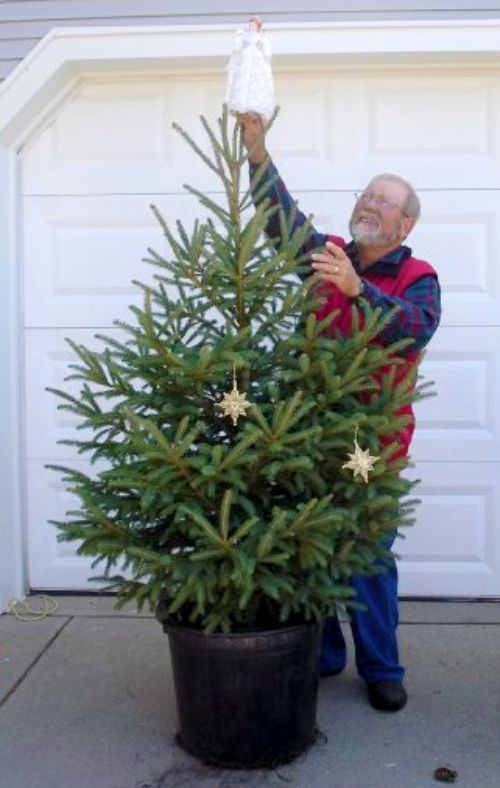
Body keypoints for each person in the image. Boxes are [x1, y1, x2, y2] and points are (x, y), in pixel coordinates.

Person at [239, 112, 441, 712]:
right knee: (308, 544)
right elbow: (281, 220)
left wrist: (361, 291)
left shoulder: (417, 276)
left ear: (404, 223)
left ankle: (381, 667)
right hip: (309, 431)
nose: (371, 204)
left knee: (368, 555)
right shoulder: (325, 254)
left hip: (374, 445)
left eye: (385, 200)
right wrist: (257, 151)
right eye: (367, 193)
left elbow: (414, 329)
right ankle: (324, 654)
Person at [225, 16, 275, 119]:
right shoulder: (243, 36)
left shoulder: (262, 38)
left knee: (255, 83)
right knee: (243, 81)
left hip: (256, 62)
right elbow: (237, 49)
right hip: (246, 61)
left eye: (254, 25)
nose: (251, 26)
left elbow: (266, 53)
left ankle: (254, 106)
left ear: (258, 27)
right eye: (250, 24)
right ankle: (241, 105)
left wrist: (262, 41)